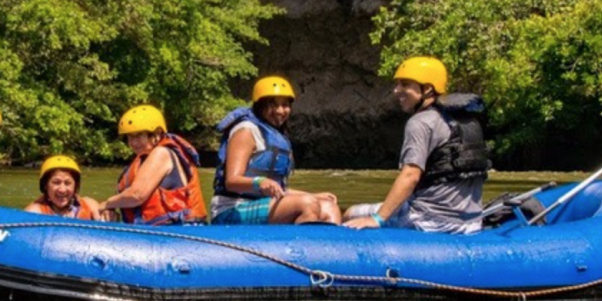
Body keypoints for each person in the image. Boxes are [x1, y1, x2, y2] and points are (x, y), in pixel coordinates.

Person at [343, 56, 492, 233]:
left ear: (427, 88)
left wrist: (378, 219)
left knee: (350, 213)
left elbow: (410, 175)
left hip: (428, 220)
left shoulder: (421, 122)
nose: (396, 91)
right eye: (397, 84)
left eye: (405, 84)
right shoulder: (467, 121)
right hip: (472, 222)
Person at [210, 76, 340, 224]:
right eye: (273, 105)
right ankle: (297, 245)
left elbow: (278, 190)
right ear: (260, 105)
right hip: (231, 210)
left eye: (285, 105)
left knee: (330, 207)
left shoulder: (277, 137)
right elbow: (232, 182)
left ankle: (326, 246)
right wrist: (260, 182)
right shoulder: (246, 131)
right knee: (307, 204)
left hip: (265, 204)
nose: (280, 111)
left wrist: (314, 195)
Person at [98, 105, 208, 225]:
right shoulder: (144, 160)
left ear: (157, 133)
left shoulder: (161, 153)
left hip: (179, 231)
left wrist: (106, 204)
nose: (134, 142)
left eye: (139, 135)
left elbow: (136, 195)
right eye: (130, 137)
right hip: (157, 231)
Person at [25, 155, 103, 219]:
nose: (62, 190)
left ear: (75, 186)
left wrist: (109, 213)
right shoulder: (34, 213)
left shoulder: (90, 205)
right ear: (45, 185)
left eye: (68, 183)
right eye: (56, 182)